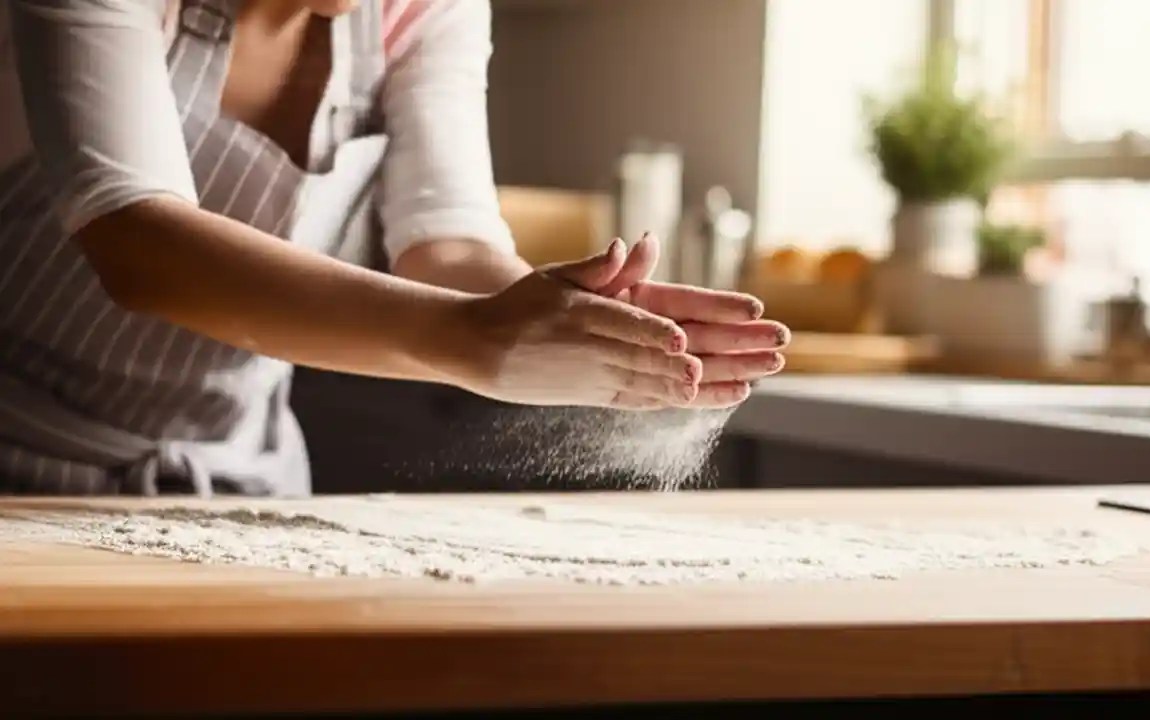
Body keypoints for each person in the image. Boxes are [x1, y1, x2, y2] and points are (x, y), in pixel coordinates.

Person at [0, 0, 789, 496]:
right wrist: (471, 339)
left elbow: (449, 243)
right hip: (22, 472)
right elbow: (135, 241)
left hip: (242, 484)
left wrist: (580, 317)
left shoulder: (426, 11)